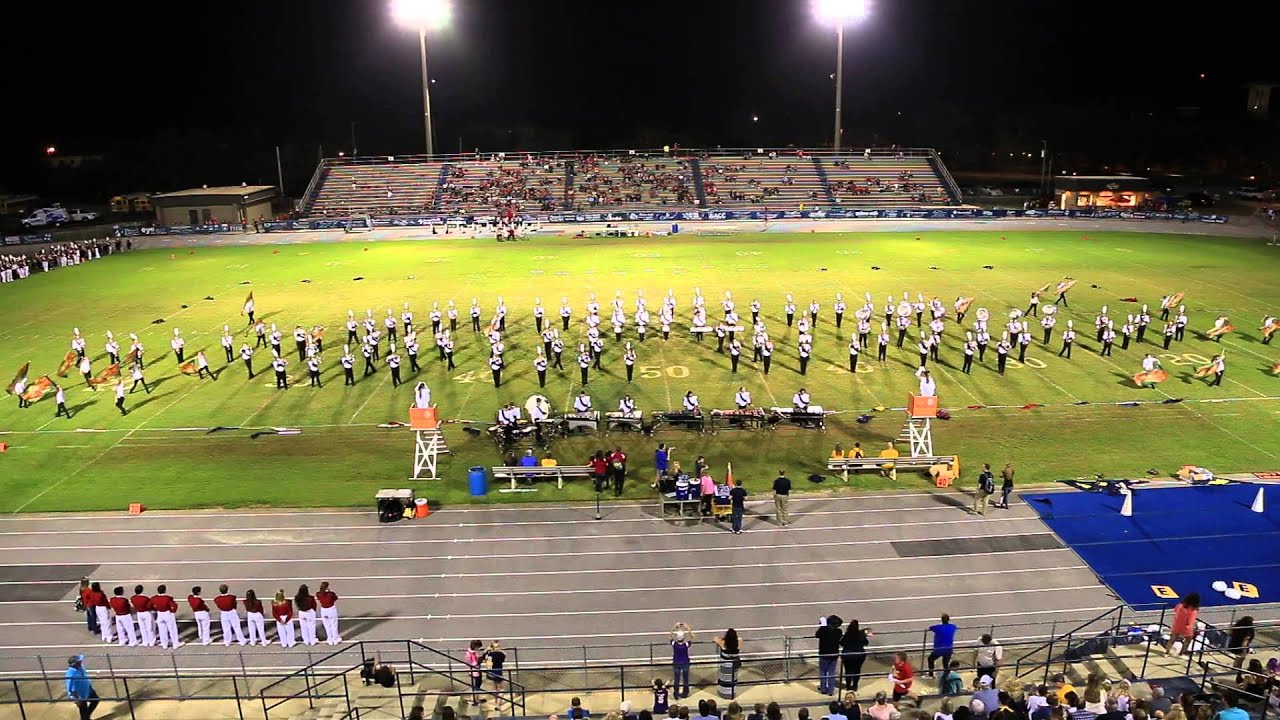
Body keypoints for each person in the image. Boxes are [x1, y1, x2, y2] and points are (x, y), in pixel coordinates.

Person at [816, 616, 844, 696]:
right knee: (832, 673)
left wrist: (822, 626)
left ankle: (823, 688)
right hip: (834, 654)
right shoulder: (838, 631)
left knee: (823, 672)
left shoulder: (824, 630)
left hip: (824, 654)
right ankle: (831, 690)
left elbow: (817, 635)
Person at [840, 619, 869, 691]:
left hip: (848, 655)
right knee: (857, 670)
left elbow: (841, 643)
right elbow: (866, 643)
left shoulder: (847, 635)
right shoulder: (860, 634)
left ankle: (848, 686)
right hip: (859, 655)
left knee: (848, 671)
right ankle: (855, 685)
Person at [66, 655, 98, 720]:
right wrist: (77, 699)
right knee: (83, 710)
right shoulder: (71, 674)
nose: (81, 661)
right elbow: (71, 689)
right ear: (75, 663)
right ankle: (85, 718)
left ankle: (86, 716)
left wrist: (90, 686)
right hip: (79, 695)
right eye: (79, 661)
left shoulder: (81, 666)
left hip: (88, 689)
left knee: (95, 700)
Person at [715, 628, 741, 699]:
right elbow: (740, 638)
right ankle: (731, 693)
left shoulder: (723, 643)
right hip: (733, 666)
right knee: (733, 678)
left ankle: (723, 693)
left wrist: (723, 638)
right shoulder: (739, 642)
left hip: (725, 666)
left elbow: (715, 638)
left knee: (724, 679)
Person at [671, 623, 693, 699]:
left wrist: (674, 627)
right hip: (685, 663)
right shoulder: (686, 645)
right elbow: (692, 637)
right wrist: (688, 628)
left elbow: (669, 636)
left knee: (676, 679)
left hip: (676, 663)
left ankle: (676, 694)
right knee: (685, 679)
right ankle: (685, 693)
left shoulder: (675, 644)